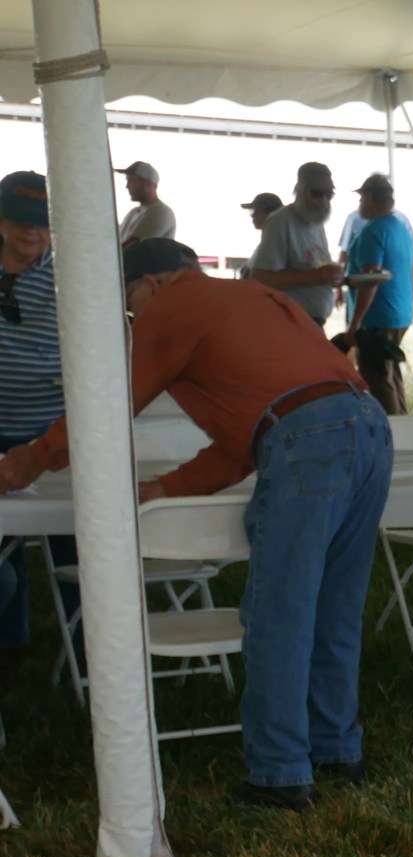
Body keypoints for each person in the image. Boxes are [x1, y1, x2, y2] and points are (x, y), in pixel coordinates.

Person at [0, 240, 392, 810]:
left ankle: (279, 776)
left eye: (130, 301)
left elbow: (110, 402)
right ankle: (337, 750)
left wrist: (26, 461)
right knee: (335, 607)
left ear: (152, 282)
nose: (134, 316)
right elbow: (253, 437)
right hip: (368, 426)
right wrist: (164, 490)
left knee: (278, 613)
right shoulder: (250, 298)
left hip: (310, 436)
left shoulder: (171, 305)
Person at [0, 172, 62, 654]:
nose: (30, 232)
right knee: (6, 544)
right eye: (21, 221)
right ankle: (12, 640)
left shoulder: (68, 276)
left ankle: (85, 641)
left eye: (41, 224)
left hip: (51, 432)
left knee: (77, 537)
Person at [341, 173, 413, 416]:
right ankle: (404, 425)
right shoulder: (401, 228)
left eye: (362, 199)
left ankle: (394, 434)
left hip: (378, 317)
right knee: (391, 375)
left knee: (377, 380)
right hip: (400, 314)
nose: (360, 205)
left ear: (371, 198)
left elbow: (370, 280)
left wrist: (354, 325)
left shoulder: (372, 231)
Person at [247, 162, 341, 328]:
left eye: (329, 194)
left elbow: (316, 269)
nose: (324, 200)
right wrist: (315, 276)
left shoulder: (316, 222)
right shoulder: (280, 222)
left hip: (311, 323)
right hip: (289, 324)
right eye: (317, 193)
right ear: (299, 190)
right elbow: (260, 277)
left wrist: (336, 277)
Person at [116, 162, 174, 245]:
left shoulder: (160, 211)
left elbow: (131, 246)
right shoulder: (133, 212)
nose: (127, 186)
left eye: (131, 181)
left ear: (147, 184)